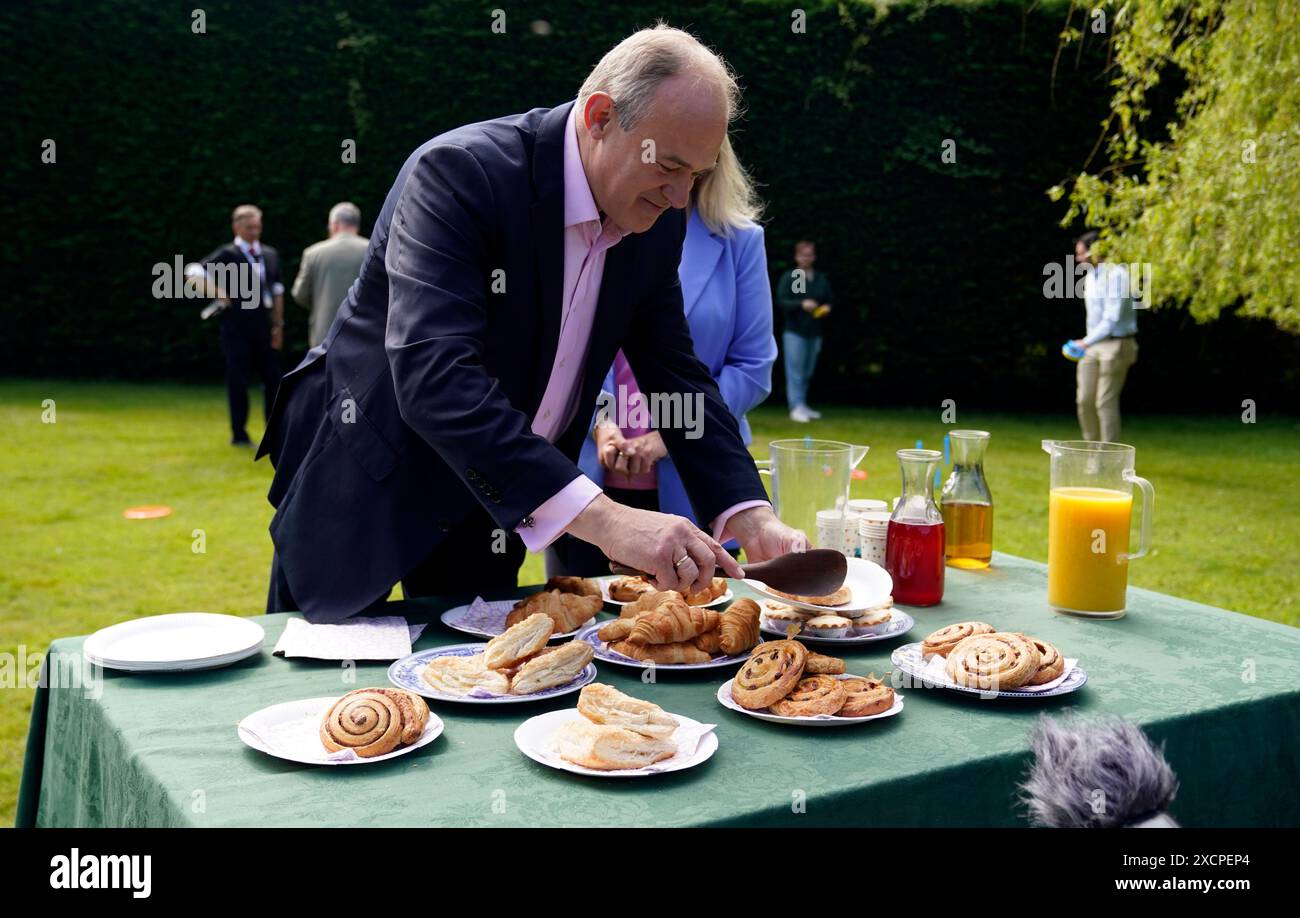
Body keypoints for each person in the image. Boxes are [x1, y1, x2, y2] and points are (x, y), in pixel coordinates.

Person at [258, 26, 802, 623]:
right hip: (363, 495)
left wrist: (748, 510)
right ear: (600, 117)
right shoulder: (459, 174)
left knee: (480, 691)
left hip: (498, 510)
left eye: (696, 174)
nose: (681, 197)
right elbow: (434, 375)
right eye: (669, 166)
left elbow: (676, 375)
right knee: (317, 706)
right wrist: (609, 521)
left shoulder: (656, 220)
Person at [546, 135, 777, 577]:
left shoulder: (740, 240)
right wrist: (602, 422)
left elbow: (752, 366)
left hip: (692, 485)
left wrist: (669, 434)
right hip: (592, 475)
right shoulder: (600, 226)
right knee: (582, 619)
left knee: (693, 628)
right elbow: (572, 345)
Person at [189, 205, 284, 446]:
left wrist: (278, 325)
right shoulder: (227, 254)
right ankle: (239, 433)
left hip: (263, 325)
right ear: (237, 227)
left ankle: (274, 432)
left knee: (273, 379)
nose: (255, 232)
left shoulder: (269, 254)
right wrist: (219, 294)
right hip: (236, 327)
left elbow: (277, 291)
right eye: (249, 227)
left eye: (257, 227)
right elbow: (193, 272)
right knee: (238, 379)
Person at [1071, 230, 1138, 442]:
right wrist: (1087, 343)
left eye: (1081, 254)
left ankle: (1109, 457)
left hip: (1117, 344)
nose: (1078, 259)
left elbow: (1112, 319)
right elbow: (1094, 319)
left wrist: (1084, 342)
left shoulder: (1117, 275)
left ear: (1096, 252)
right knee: (1084, 400)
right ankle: (1091, 454)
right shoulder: (1091, 277)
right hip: (1093, 345)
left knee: (1104, 402)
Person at [292, 202, 370, 348]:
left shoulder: (313, 253)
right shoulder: (372, 250)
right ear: (356, 225)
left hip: (325, 332)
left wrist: (320, 303)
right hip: (365, 330)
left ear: (334, 225)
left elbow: (300, 294)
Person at [773, 239, 832, 422]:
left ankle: (803, 405)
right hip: (795, 331)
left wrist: (826, 308)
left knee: (807, 371)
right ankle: (796, 406)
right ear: (797, 257)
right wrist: (801, 304)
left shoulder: (820, 278)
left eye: (809, 255)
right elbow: (783, 301)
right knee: (796, 371)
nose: (806, 258)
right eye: (803, 255)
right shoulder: (794, 276)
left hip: (814, 331)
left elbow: (828, 299)